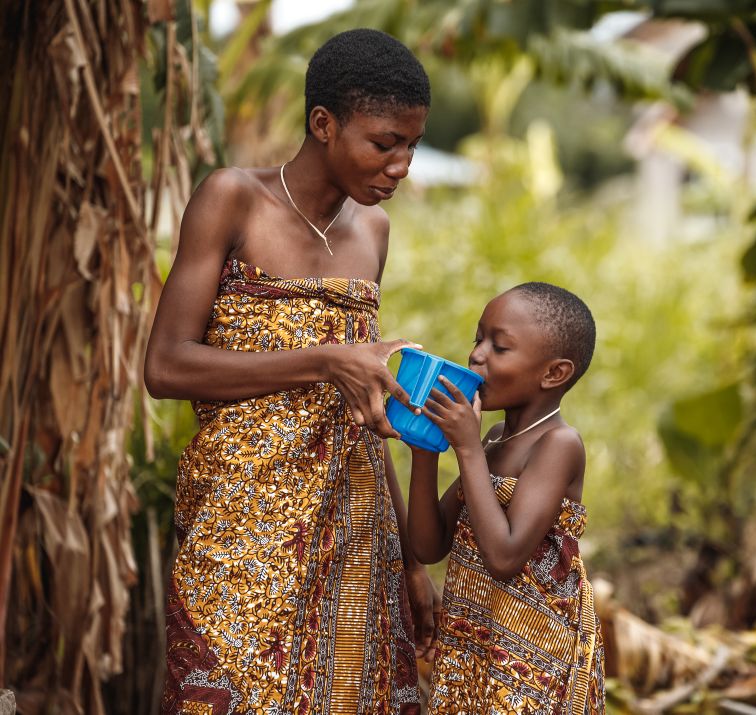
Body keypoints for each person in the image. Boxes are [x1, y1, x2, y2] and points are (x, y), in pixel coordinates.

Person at [144, 28, 436, 714]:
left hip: (356, 528)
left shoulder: (373, 232)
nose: (400, 165)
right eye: (385, 142)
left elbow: (365, 402)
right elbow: (165, 364)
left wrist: (413, 562)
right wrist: (325, 359)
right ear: (323, 123)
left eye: (411, 147)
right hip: (238, 520)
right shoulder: (233, 198)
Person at [406, 282, 606, 714]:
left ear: (553, 373)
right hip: (473, 646)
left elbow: (504, 556)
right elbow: (428, 545)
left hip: (533, 660)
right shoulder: (494, 440)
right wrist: (425, 449)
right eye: (478, 338)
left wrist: (466, 449)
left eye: (500, 347)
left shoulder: (558, 445)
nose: (477, 354)